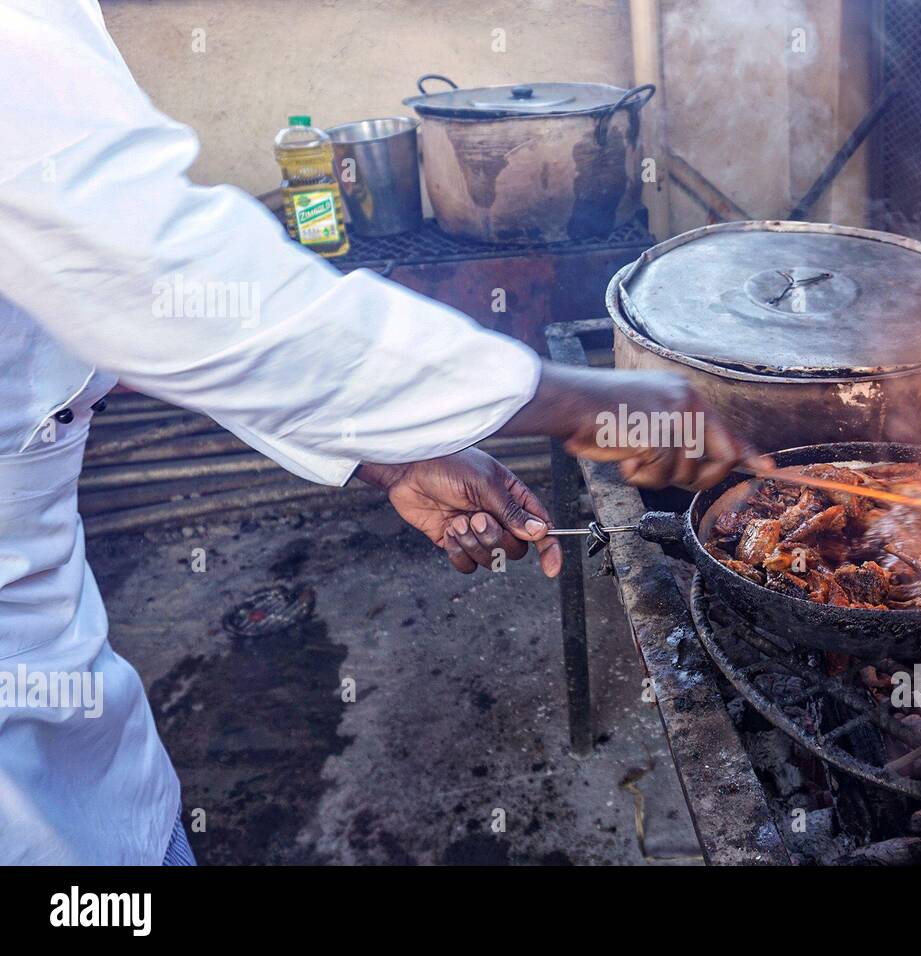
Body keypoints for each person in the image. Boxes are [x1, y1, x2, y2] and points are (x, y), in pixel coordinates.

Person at [0, 0, 758, 864]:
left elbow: (96, 319)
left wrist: (382, 455)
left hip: (68, 699)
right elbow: (156, 281)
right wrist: (587, 405)